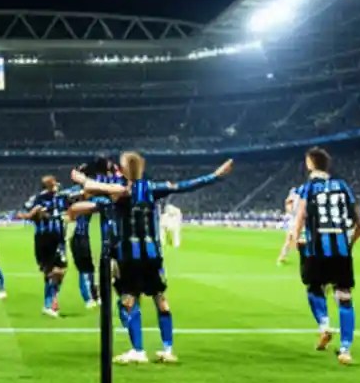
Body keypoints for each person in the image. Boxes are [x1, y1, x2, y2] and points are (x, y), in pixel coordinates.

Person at [72, 153, 233, 364]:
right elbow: (184, 186)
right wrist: (214, 176)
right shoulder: (150, 188)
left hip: (129, 256)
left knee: (129, 300)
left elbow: (92, 192)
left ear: (123, 169)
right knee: (160, 299)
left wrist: (82, 182)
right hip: (152, 254)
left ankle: (138, 350)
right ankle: (168, 349)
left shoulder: (117, 190)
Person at [285, 147, 360, 365]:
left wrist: (295, 242)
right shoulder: (343, 186)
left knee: (313, 287)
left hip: (316, 248)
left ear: (310, 164)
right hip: (341, 250)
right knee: (344, 296)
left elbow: (299, 218)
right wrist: (349, 245)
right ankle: (345, 349)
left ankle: (324, 324)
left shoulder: (307, 189)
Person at [23, 176, 68, 318]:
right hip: (46, 238)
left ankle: (51, 301)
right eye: (53, 183)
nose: (56, 185)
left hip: (57, 239)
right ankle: (50, 303)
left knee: (56, 271)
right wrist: (36, 214)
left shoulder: (60, 197)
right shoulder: (39, 199)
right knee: (55, 271)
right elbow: (29, 213)